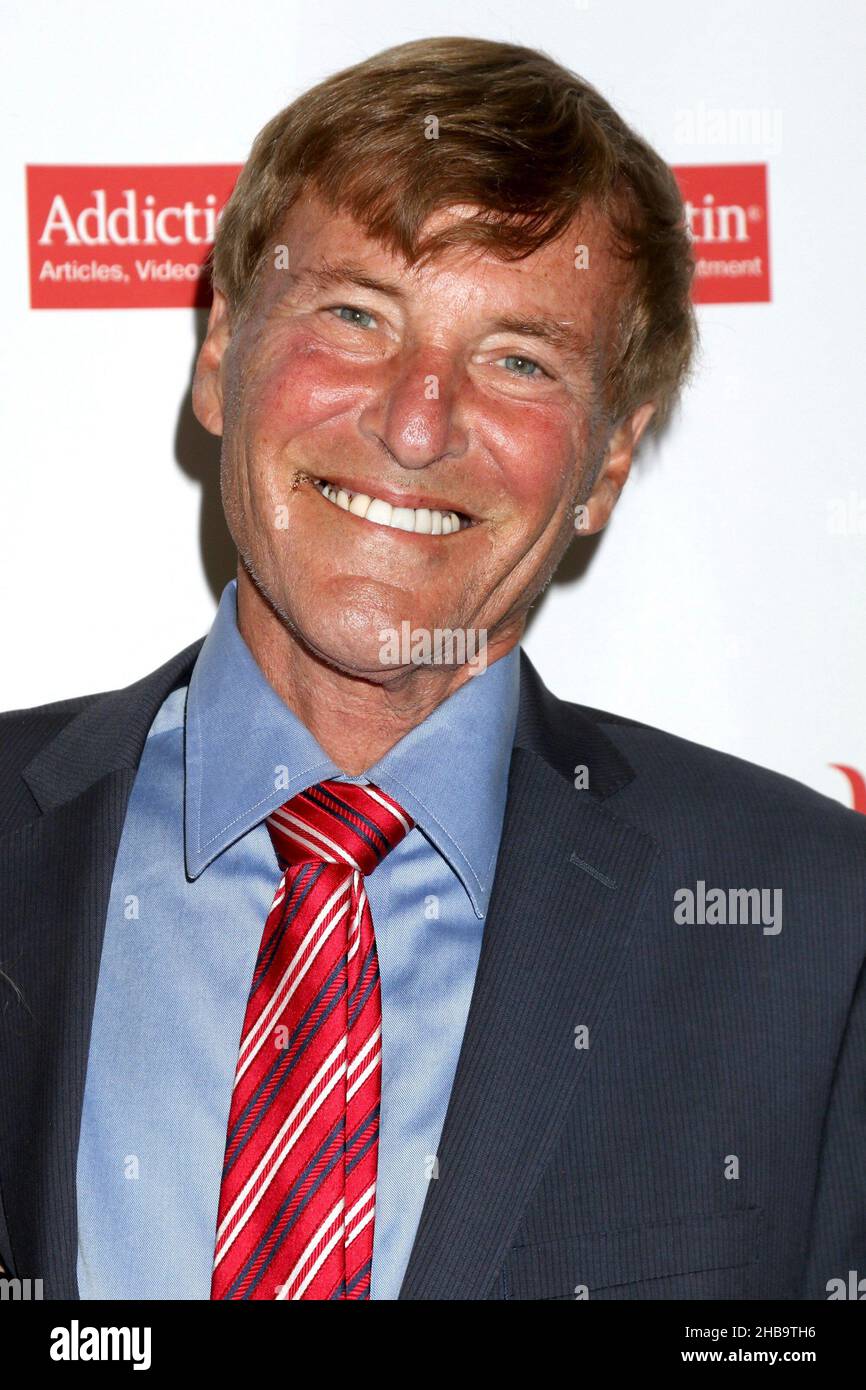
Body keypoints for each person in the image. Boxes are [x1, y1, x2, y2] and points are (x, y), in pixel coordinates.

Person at [1, 36, 863, 1302]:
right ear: (218, 353)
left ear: (607, 463)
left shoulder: (814, 926)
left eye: (517, 359)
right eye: (354, 314)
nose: (415, 420)